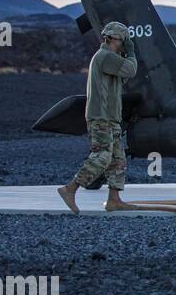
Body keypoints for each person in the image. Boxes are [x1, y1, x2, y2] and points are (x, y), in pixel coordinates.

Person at [58, 21, 138, 214]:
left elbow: (124, 76)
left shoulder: (110, 58)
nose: (125, 43)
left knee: (117, 159)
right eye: (123, 40)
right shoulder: (105, 57)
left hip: (111, 117)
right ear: (115, 39)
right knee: (102, 156)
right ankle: (71, 189)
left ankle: (114, 199)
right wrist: (132, 53)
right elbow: (131, 70)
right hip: (101, 117)